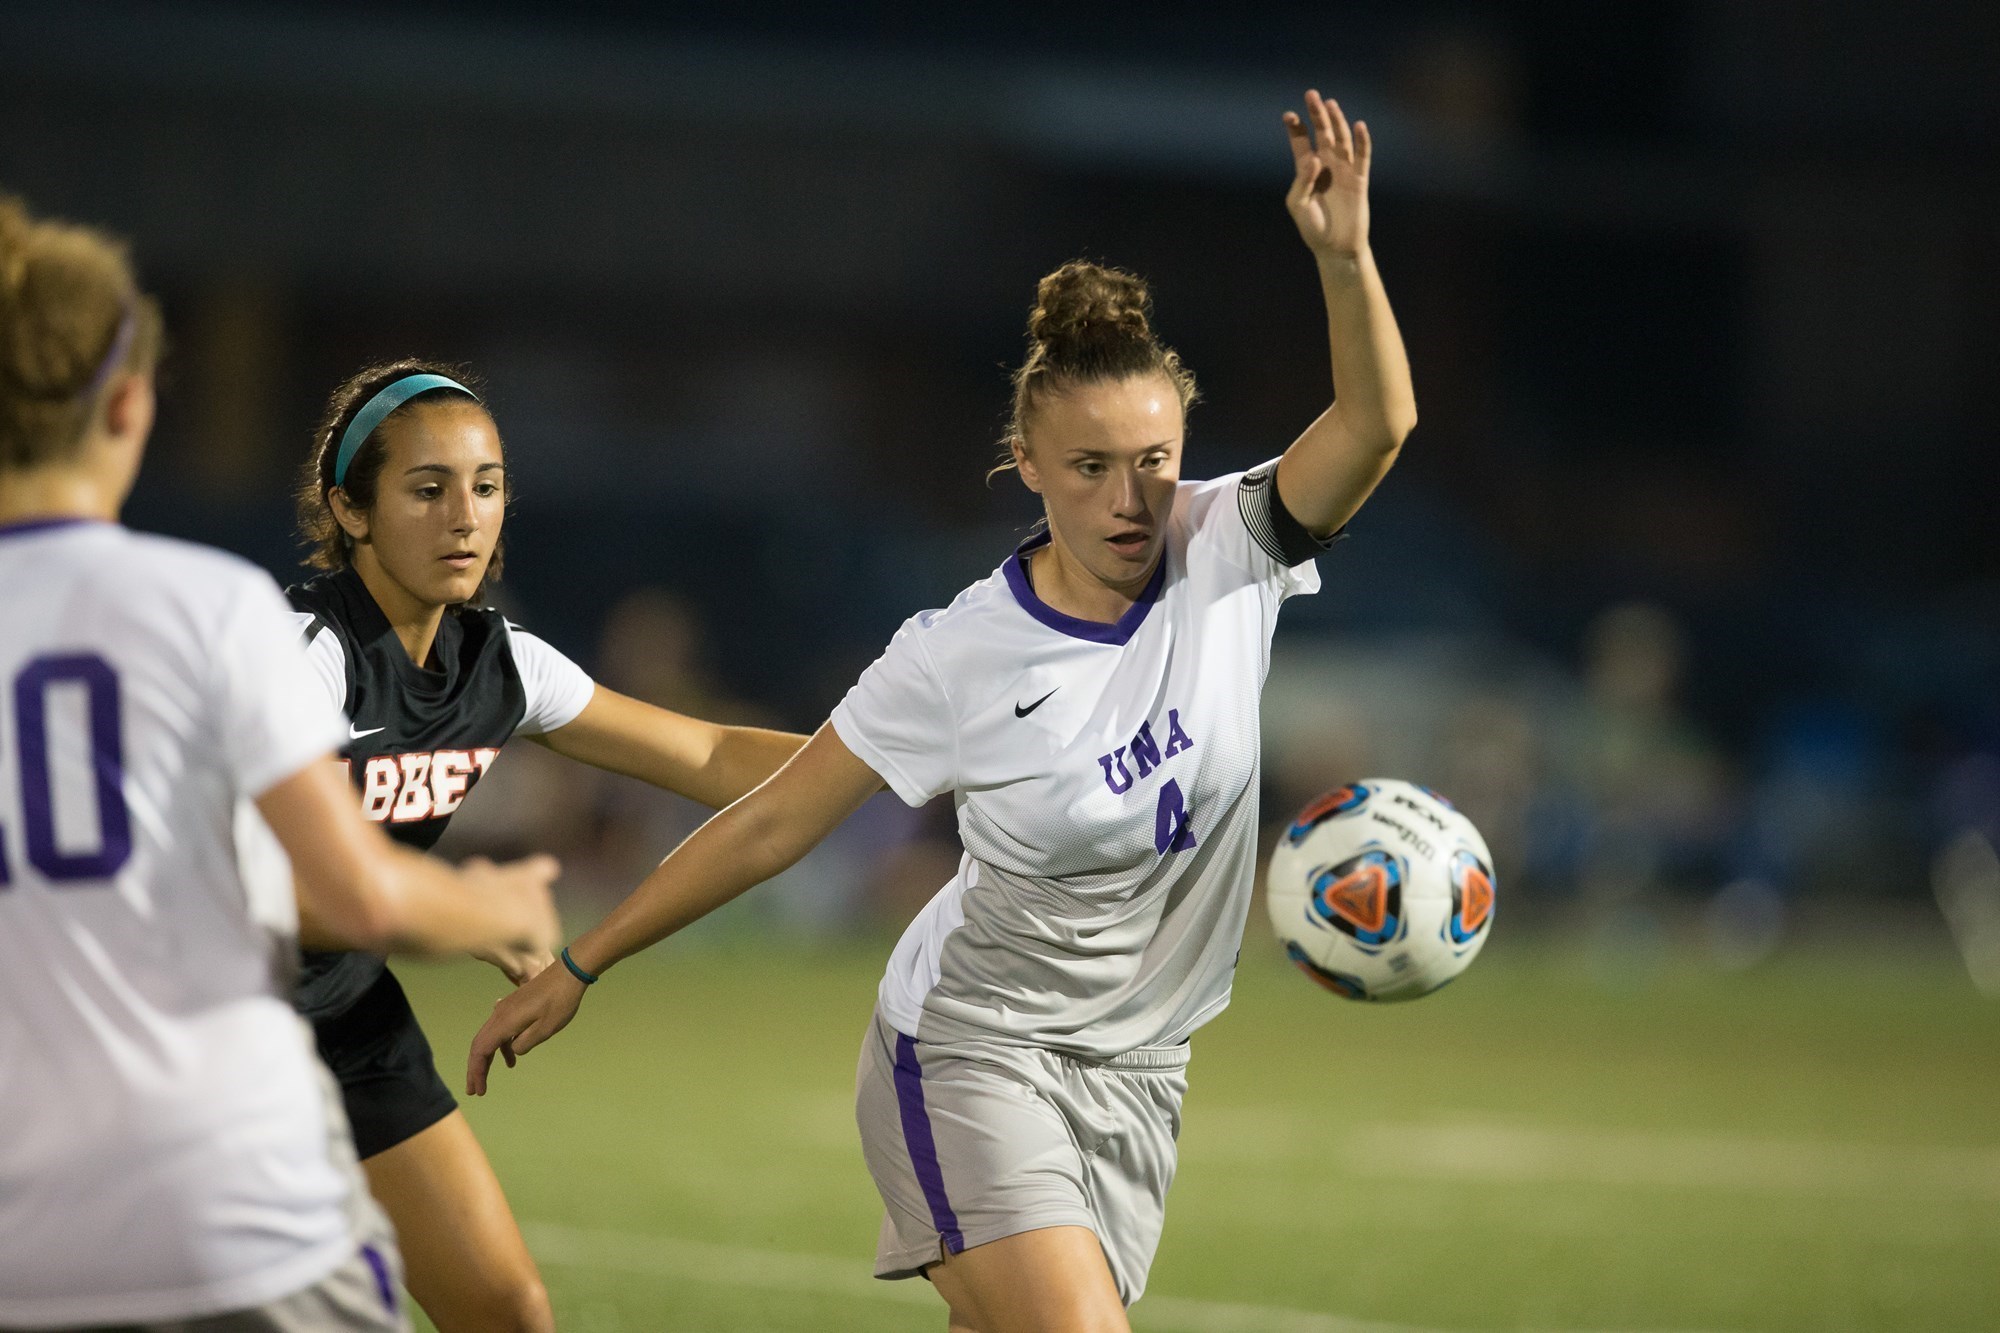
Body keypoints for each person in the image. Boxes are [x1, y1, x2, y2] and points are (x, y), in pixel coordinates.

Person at [470, 88, 1413, 1332]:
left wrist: (1344, 263)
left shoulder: (1228, 543)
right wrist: (587, 959)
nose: (1131, 499)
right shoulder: (958, 652)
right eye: (1089, 467)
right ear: (1026, 465)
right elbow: (772, 820)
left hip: (1143, 1068)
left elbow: (1377, 424)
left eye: (1154, 461)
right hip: (971, 1050)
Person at [0, 198, 560, 1332]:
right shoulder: (214, 608)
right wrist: (481, 903)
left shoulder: (480, 657)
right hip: (216, 1187)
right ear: (130, 402)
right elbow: (342, 885)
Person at [286, 358, 806, 1332]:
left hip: (347, 1016)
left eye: (484, 487)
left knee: (507, 1311)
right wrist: (470, 911)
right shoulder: (302, 654)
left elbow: (705, 749)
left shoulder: (496, 661)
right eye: (427, 488)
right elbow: (299, 874)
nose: (464, 516)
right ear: (350, 511)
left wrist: (901, 755)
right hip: (211, 1022)